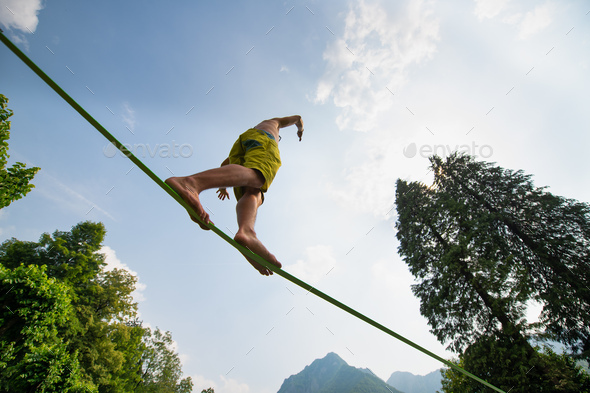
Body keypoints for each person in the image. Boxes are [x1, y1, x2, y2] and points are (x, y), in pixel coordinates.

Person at [165, 115, 304, 276]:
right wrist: (300, 130)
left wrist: (224, 186)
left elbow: (227, 163)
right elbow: (298, 118)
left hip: (241, 145)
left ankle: (246, 232)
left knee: (253, 190)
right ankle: (191, 183)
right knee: (259, 176)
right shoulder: (274, 123)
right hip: (263, 141)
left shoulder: (252, 134)